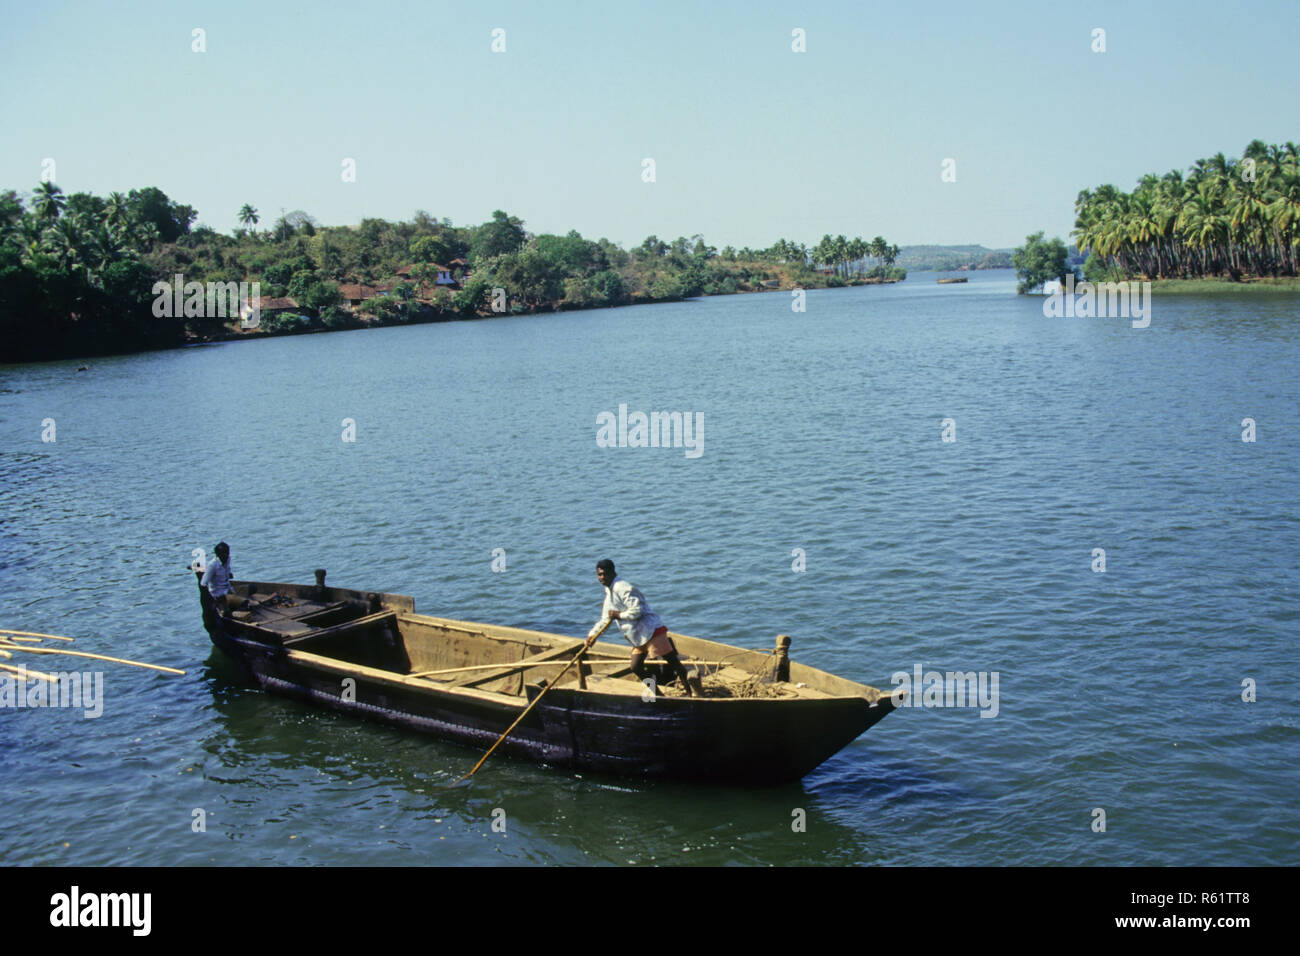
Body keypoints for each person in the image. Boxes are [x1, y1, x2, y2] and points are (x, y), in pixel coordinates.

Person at [588, 559, 693, 696]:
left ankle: (690, 692)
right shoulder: (609, 593)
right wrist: (592, 635)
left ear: (612, 572)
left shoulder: (623, 587)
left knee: (673, 662)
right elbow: (605, 619)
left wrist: (619, 615)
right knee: (636, 667)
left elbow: (637, 610)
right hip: (638, 636)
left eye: (604, 574)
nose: (601, 578)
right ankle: (658, 695)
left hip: (651, 631)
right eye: (599, 575)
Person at [200, 542, 244, 616]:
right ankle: (226, 608)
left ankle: (232, 604)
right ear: (217, 555)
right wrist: (211, 601)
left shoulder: (228, 559)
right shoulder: (212, 565)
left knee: (252, 588)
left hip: (229, 589)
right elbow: (203, 583)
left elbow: (228, 570)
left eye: (227, 553)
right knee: (243, 603)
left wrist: (229, 573)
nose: (226, 555)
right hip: (219, 594)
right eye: (223, 554)